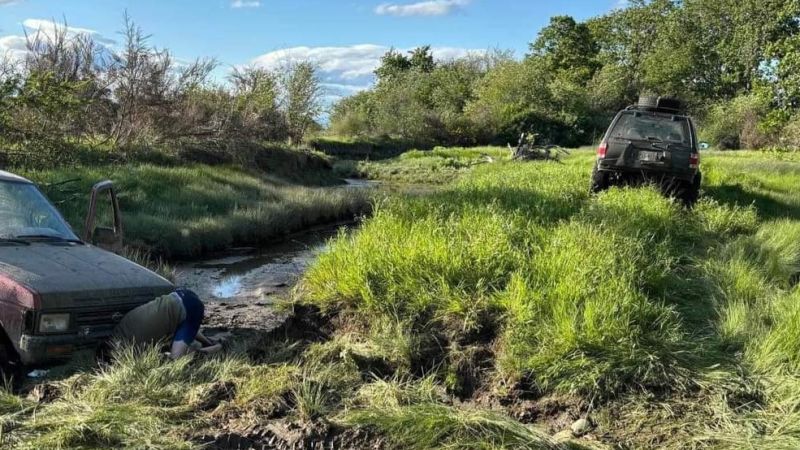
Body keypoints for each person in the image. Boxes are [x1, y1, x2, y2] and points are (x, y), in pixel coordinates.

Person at [108, 287, 223, 359]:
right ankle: (209, 342)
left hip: (191, 309)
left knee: (177, 358)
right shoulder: (118, 331)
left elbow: (174, 357)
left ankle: (218, 347)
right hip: (179, 294)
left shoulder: (130, 352)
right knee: (183, 323)